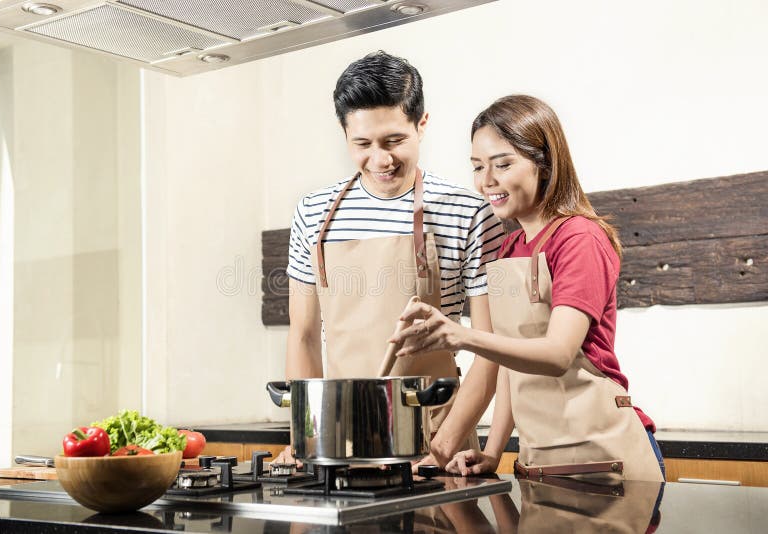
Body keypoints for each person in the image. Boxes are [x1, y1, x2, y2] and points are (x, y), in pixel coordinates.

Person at [390, 94, 666, 482]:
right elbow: (510, 369)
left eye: (503, 164)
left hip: (606, 461)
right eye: (478, 166)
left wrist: (461, 336)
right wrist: (492, 452)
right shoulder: (509, 248)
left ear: (544, 162)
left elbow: (556, 354)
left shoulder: (580, 238)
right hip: (540, 463)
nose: (488, 181)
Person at [274, 51, 504, 465]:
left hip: (436, 439)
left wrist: (443, 446)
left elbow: (492, 350)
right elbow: (304, 335)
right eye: (362, 144)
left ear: (422, 124)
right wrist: (304, 436)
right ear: (344, 134)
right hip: (340, 439)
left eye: (394, 140)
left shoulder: (469, 211)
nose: (380, 160)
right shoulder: (312, 213)